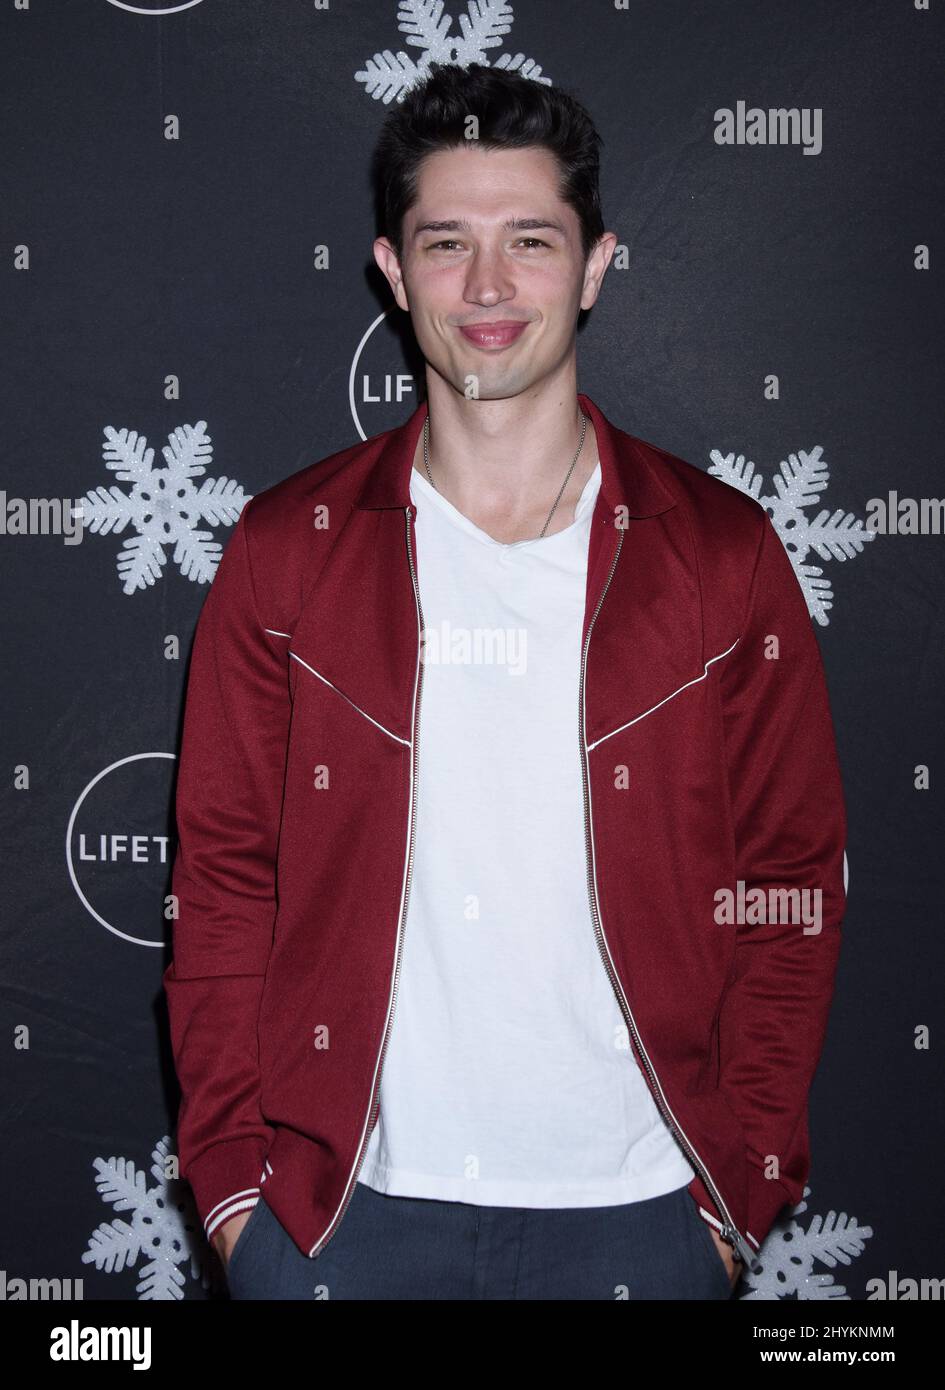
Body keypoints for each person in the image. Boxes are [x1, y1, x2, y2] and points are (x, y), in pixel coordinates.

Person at [163, 62, 846, 1301]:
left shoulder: (723, 555)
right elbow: (222, 885)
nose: (487, 288)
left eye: (529, 241)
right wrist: (232, 1198)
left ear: (592, 267)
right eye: (447, 244)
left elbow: (791, 886)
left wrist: (733, 1195)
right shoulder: (284, 553)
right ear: (391, 269)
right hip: (341, 1223)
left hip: (643, 1218)